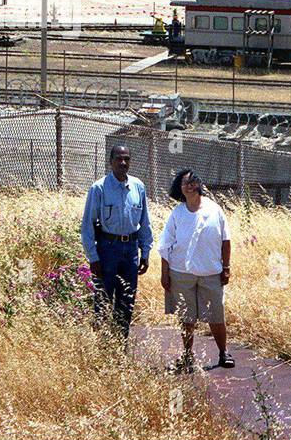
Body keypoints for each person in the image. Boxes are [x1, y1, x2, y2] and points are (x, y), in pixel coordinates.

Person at [159, 168, 234, 371]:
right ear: (180, 189)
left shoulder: (214, 210)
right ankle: (187, 356)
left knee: (216, 316)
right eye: (185, 183)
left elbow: (226, 240)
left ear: (199, 185)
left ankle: (223, 352)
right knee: (186, 318)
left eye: (193, 182)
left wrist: (226, 267)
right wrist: (164, 273)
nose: (189, 185)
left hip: (210, 271)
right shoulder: (177, 214)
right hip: (181, 272)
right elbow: (166, 245)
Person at [81, 145, 151, 339]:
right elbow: (87, 226)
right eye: (119, 159)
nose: (123, 163)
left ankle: (120, 347)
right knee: (103, 300)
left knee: (126, 301)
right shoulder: (99, 188)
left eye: (126, 159)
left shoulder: (138, 187)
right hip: (107, 250)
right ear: (110, 161)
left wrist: (145, 252)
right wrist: (93, 258)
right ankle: (103, 348)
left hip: (130, 251)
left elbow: (144, 221)